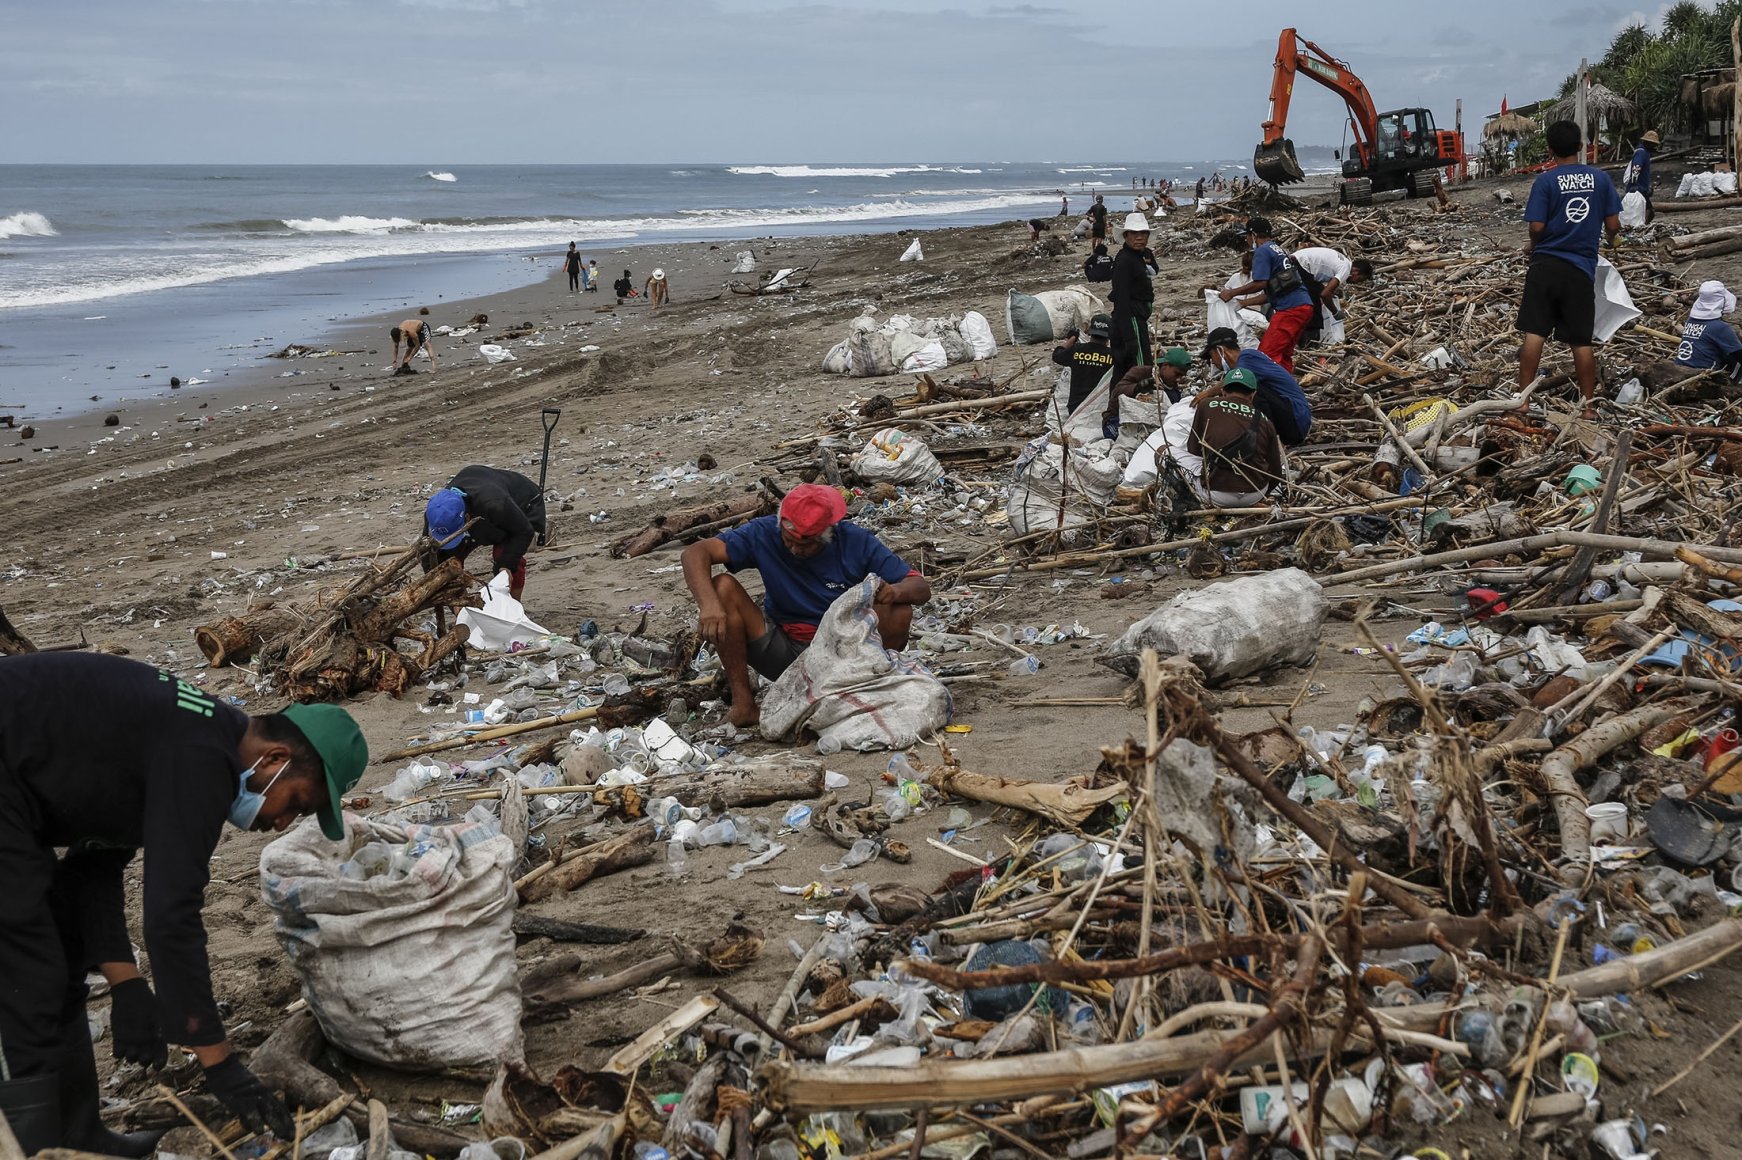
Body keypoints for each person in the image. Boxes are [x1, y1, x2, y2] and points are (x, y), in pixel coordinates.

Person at [0, 653, 368, 1155]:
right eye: (299, 803)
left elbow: (94, 865)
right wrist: (221, 1066)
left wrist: (127, 985)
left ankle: (80, 1136)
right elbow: (171, 916)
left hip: (17, 787)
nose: (284, 823)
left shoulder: (192, 736)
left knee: (58, 950)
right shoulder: (202, 756)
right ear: (276, 758)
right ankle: (38, 1149)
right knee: (28, 968)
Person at [681, 484, 932, 728]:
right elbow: (695, 553)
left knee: (899, 611)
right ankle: (744, 705)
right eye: (788, 540)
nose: (793, 548)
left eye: (805, 544)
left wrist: (894, 591)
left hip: (843, 655)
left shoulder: (855, 541)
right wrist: (709, 605)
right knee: (722, 587)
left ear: (828, 534)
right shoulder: (764, 533)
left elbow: (920, 587)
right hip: (784, 649)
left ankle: (870, 687)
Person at [1517, 120, 1622, 416]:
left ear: (1550, 150)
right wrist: (1613, 238)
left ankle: (1522, 401)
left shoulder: (1546, 182)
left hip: (1545, 266)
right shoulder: (1600, 180)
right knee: (1580, 340)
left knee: (1535, 333)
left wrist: (1535, 242)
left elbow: (1536, 225)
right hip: (1580, 269)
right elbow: (1613, 225)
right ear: (1580, 146)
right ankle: (1588, 405)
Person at [423, 465, 547, 600]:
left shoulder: (496, 504)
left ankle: (514, 607)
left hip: (523, 504)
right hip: (481, 506)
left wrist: (506, 565)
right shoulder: (437, 512)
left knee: (505, 559)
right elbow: (431, 559)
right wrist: (455, 600)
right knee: (450, 563)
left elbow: (523, 532)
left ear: (467, 518)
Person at [1221, 216, 1312, 373]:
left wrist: (1232, 292)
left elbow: (1260, 283)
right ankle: (1285, 390)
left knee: (1265, 356)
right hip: (1304, 305)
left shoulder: (1262, 251)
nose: (1247, 241)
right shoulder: (1277, 249)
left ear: (1253, 235)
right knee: (1283, 355)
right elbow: (1271, 291)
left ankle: (1268, 392)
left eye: (1247, 237)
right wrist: (1243, 303)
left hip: (1290, 309)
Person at [1188, 367, 1283, 507]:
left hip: (1214, 494)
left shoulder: (1206, 405)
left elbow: (1193, 449)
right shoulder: (1264, 420)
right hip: (1254, 494)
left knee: (1163, 451)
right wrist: (1262, 495)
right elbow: (1276, 472)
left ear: (1223, 391)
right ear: (1253, 394)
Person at [1201, 326, 1311, 447]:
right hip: (1289, 419)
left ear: (1220, 350)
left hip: (1296, 422)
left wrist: (1206, 394)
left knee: (1243, 390)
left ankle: (1266, 441)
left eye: (1211, 355)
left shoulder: (1248, 357)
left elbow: (1235, 381)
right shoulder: (1242, 366)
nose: (1212, 362)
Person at [1109, 212, 1159, 386]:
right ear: (1126, 236)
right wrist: (1129, 337)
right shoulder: (1124, 261)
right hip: (1131, 321)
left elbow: (1155, 268)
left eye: (1143, 234)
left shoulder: (1142, 254)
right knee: (1141, 369)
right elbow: (1120, 299)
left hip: (1139, 319)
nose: (1140, 238)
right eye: (1135, 234)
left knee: (1128, 369)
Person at [1675, 280, 1742, 379]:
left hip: (1680, 368)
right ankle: (1732, 385)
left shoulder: (1690, 320)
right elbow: (1739, 355)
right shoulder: (1719, 327)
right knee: (1736, 359)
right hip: (1703, 374)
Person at [1052, 314, 1117, 414]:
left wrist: (1072, 338)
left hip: (1076, 409)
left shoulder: (1077, 350)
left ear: (1090, 332)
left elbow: (1056, 356)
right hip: (1099, 409)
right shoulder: (1112, 356)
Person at [1627, 130, 1659, 226]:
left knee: (1646, 211)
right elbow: (1636, 168)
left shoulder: (1644, 153)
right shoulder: (1641, 153)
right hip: (1638, 189)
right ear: (1647, 143)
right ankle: (1641, 228)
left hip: (1641, 188)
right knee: (1648, 211)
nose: (1654, 146)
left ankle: (1640, 227)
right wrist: (1634, 184)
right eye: (1652, 144)